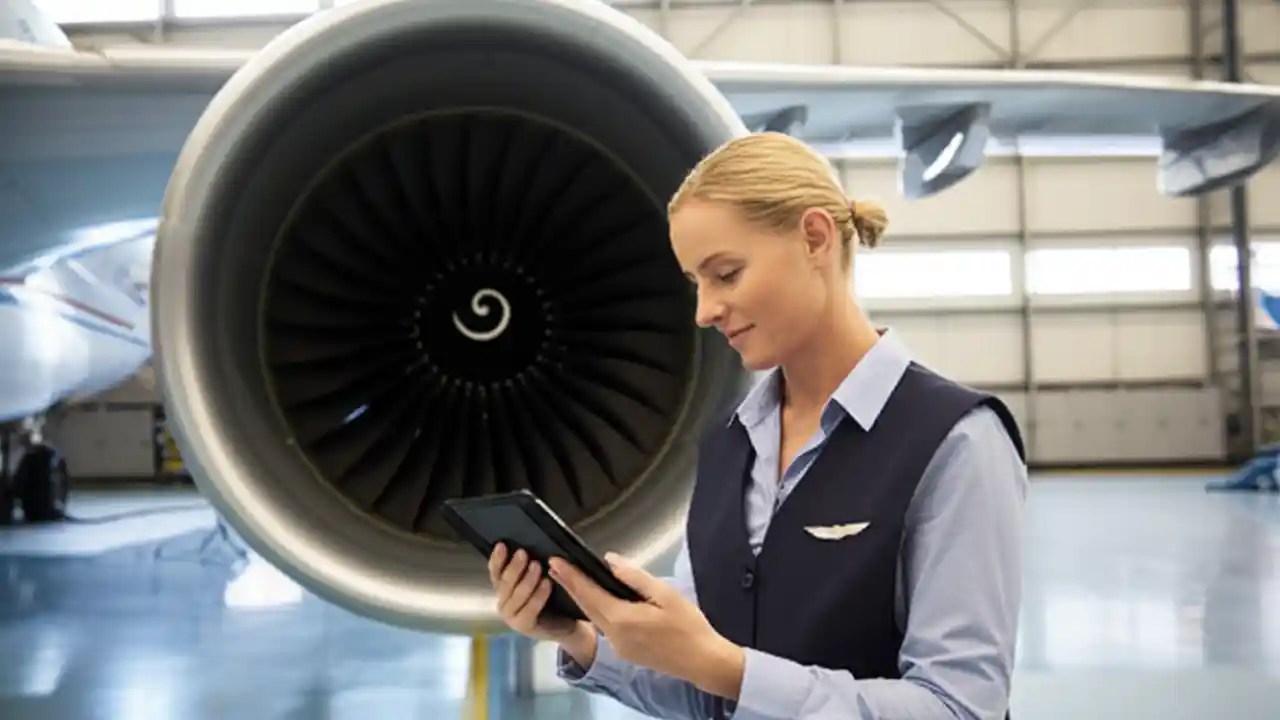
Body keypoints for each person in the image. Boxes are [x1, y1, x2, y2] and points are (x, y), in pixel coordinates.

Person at [487, 131, 1028, 720]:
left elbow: (960, 708)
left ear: (815, 238)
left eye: (725, 274)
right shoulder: (727, 445)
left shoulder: (958, 442)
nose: (703, 312)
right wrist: (580, 637)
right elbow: (706, 693)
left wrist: (724, 666)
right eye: (697, 284)